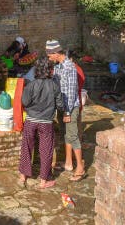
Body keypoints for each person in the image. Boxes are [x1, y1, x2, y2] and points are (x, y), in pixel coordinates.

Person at [18, 55, 62, 189]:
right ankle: (43, 181)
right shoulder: (54, 86)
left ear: (37, 70)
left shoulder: (31, 85)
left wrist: (33, 108)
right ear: (49, 71)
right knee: (46, 150)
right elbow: (60, 105)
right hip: (46, 122)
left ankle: (23, 177)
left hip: (31, 120)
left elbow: (24, 102)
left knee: (26, 147)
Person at [46, 40, 85, 181]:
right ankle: (68, 163)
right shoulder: (58, 67)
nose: (48, 57)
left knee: (73, 136)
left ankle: (80, 168)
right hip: (62, 107)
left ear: (56, 53)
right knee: (66, 134)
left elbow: (71, 92)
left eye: (49, 54)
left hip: (70, 107)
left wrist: (67, 112)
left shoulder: (69, 67)